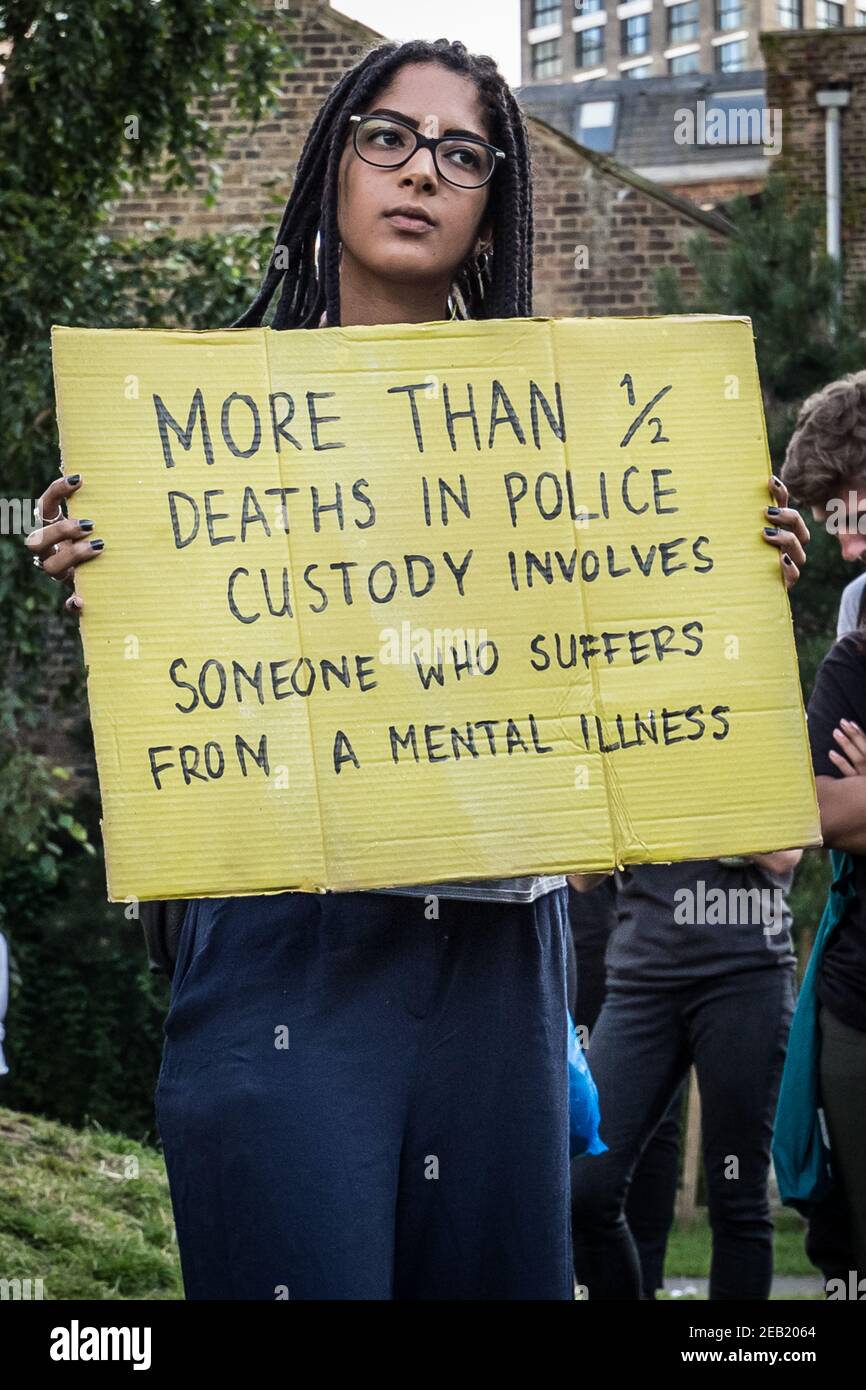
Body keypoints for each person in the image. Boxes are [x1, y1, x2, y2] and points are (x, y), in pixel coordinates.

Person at [28, 36, 809, 1301]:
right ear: (333, 161)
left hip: (497, 959)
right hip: (285, 941)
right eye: (386, 136)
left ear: (493, 197)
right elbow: (187, 689)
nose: (420, 172)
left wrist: (727, 575)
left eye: (462, 153)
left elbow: (633, 691)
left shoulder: (578, 427)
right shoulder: (189, 428)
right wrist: (101, 580)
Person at [569, 850, 802, 1301]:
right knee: (586, 1191)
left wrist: (691, 794)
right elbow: (581, 877)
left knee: (736, 1196)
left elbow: (783, 855)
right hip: (640, 978)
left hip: (744, 972)